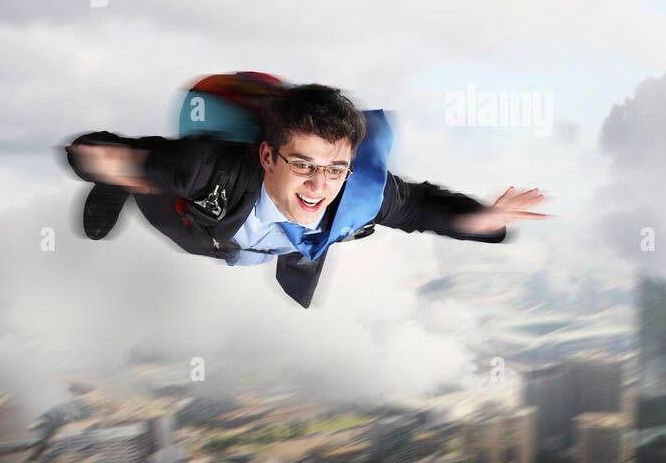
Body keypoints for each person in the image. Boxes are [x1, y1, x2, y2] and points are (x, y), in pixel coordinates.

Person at [63, 83, 548, 307]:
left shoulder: (357, 191)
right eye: (303, 165)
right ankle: (114, 188)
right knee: (141, 181)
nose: (319, 186)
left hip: (251, 244)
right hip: (192, 219)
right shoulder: (207, 168)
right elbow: (134, 154)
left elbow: (421, 206)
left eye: (335, 169)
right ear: (268, 156)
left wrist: (481, 221)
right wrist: (100, 162)